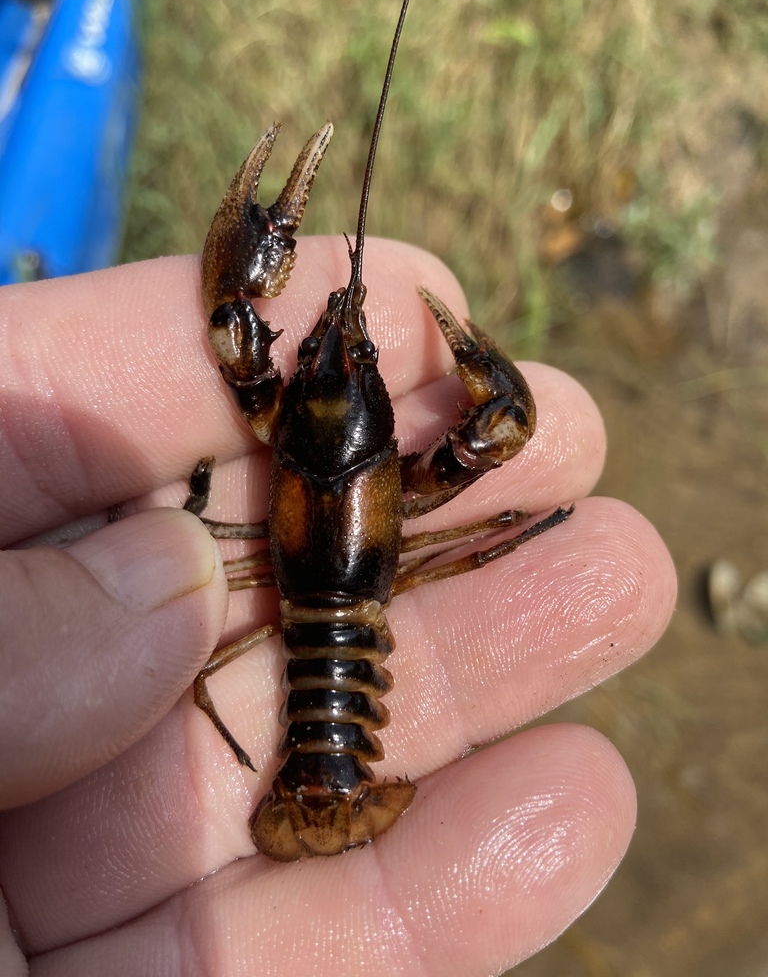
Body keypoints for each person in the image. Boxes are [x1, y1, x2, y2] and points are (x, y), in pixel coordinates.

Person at [0, 239, 675, 976]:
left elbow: (234, 327)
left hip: (321, 644)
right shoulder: (403, 480)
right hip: (348, 655)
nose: (328, 346)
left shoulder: (277, 424)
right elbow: (503, 427)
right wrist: (516, 527)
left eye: (329, 347)